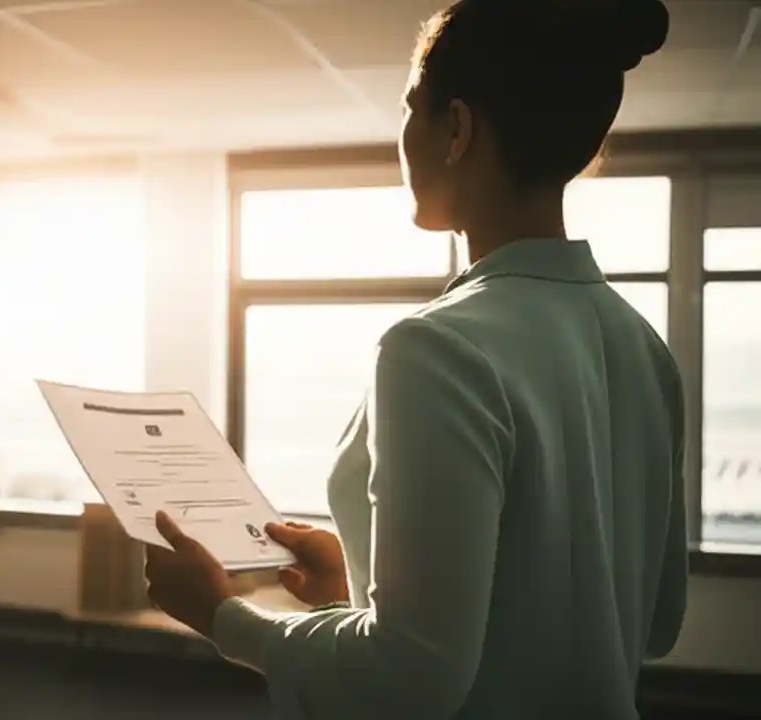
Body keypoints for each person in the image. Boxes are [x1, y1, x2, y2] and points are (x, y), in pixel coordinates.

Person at [141, 0, 687, 717]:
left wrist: (219, 615)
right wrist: (364, 578)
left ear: (456, 128)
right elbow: (653, 623)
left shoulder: (437, 348)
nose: (401, 136)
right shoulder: (643, 346)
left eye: (409, 108)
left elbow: (411, 677)